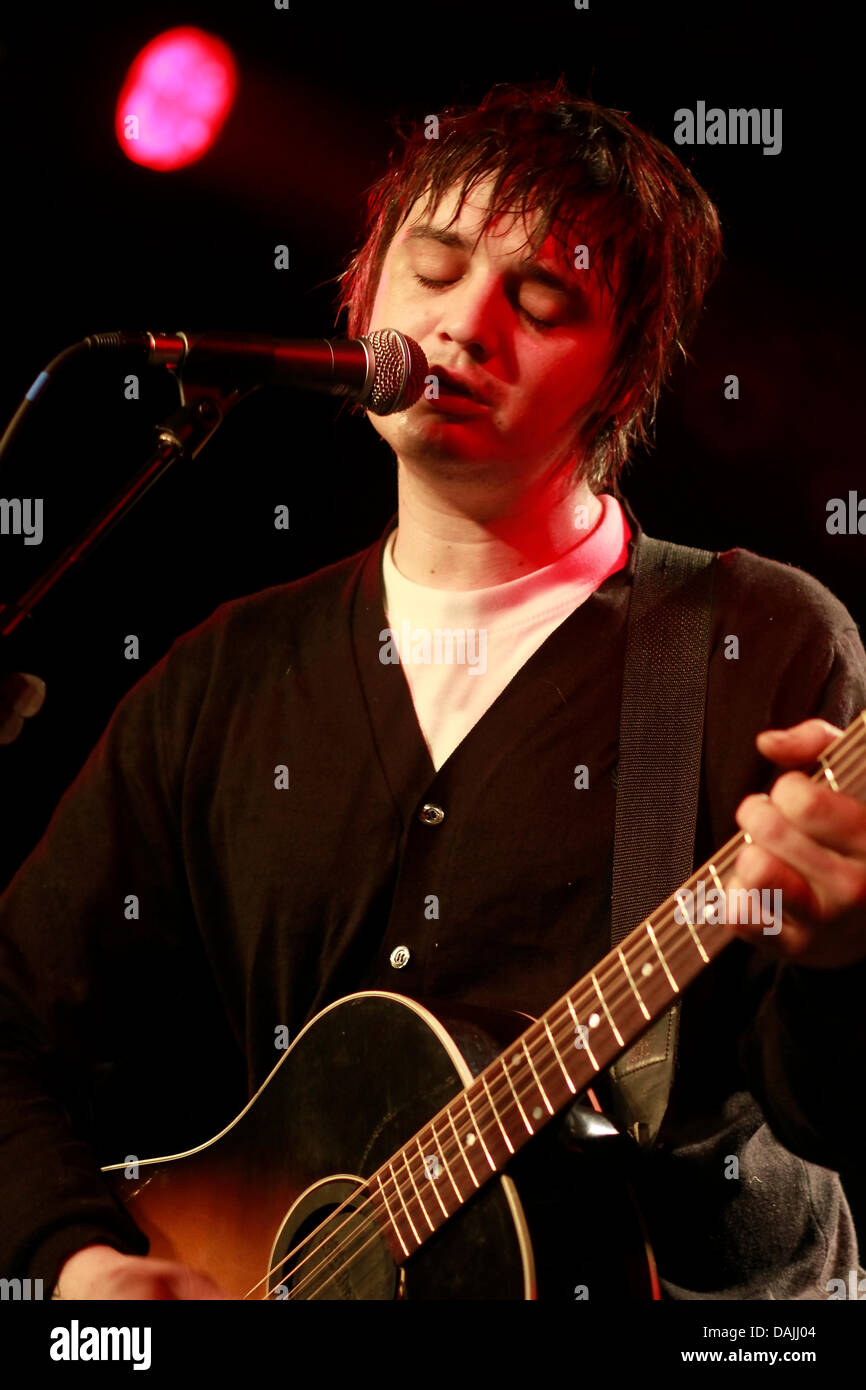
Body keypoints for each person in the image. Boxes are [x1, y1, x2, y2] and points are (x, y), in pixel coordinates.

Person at [1, 78, 866, 1302]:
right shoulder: (229, 676)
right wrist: (75, 1260)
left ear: (620, 379)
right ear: (364, 297)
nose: (462, 325)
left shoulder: (754, 639)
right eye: (435, 266)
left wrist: (844, 957)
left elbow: (831, 1115)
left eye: (542, 298)